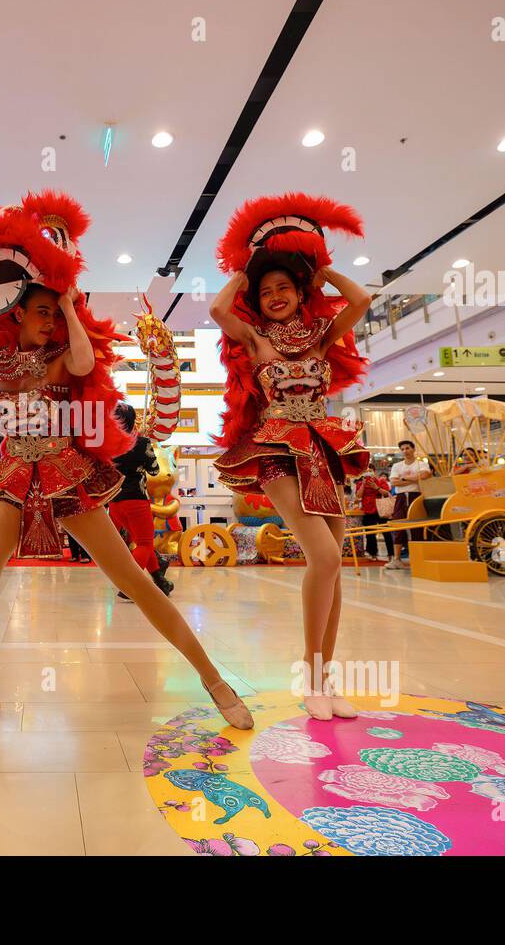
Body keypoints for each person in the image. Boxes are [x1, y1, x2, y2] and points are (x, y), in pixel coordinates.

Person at [0, 189, 251, 733]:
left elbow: (82, 358)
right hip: (9, 477)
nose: (48, 321)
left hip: (63, 475)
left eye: (55, 313)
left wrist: (70, 302)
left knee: (135, 578)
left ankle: (215, 681)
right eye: (40, 312)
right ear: (16, 311)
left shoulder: (64, 355)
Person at [210, 192, 372, 720]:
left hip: (323, 448)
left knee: (335, 568)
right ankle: (309, 672)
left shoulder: (322, 335)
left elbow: (362, 300)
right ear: (256, 300)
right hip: (276, 448)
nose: (275, 295)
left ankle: (325, 679)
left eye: (284, 286)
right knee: (321, 557)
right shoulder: (256, 338)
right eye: (266, 290)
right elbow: (217, 309)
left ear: (300, 292)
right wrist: (244, 266)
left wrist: (319, 266)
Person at [109, 403, 172, 599]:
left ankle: (161, 581)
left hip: (114, 501)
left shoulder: (108, 443)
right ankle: (130, 585)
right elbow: (154, 469)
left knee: (141, 541)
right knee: (145, 544)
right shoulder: (142, 442)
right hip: (136, 499)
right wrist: (144, 444)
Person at [386, 439, 431, 570]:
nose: (405, 451)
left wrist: (403, 479)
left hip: (416, 496)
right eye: (403, 449)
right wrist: (413, 479)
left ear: (413, 449)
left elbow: (424, 476)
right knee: (398, 525)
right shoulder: (397, 466)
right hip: (400, 498)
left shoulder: (421, 464)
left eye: (408, 448)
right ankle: (397, 559)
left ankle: (419, 558)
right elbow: (394, 482)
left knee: (417, 527)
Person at [354, 467, 390, 559]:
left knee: (386, 532)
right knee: (370, 533)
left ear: (374, 471)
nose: (368, 473)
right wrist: (363, 484)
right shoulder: (360, 483)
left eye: (370, 471)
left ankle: (391, 554)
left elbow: (386, 494)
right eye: (365, 471)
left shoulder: (380, 481)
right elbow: (358, 496)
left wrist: (376, 487)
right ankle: (373, 553)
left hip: (380, 509)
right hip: (367, 509)